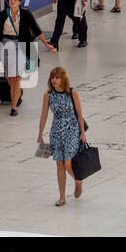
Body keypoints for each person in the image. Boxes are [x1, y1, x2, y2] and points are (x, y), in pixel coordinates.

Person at [37, 67, 86, 206]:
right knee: (59, 164)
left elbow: (79, 112)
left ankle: (77, 180)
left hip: (72, 129)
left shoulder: (72, 92)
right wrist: (40, 134)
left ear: (63, 78)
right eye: (53, 77)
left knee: (67, 163)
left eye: (57, 77)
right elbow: (44, 115)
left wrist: (82, 132)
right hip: (57, 131)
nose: (54, 80)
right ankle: (62, 197)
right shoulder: (48, 95)